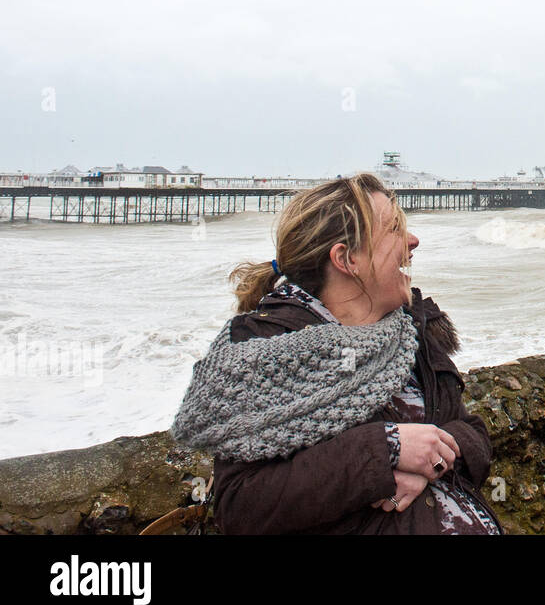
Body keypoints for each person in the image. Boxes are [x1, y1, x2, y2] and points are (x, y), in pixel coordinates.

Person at [171, 173, 499, 534]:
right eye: (393, 229)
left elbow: (473, 434)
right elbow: (242, 507)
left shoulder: (408, 329)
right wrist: (386, 451)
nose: (413, 240)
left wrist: (428, 462)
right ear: (347, 259)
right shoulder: (266, 349)